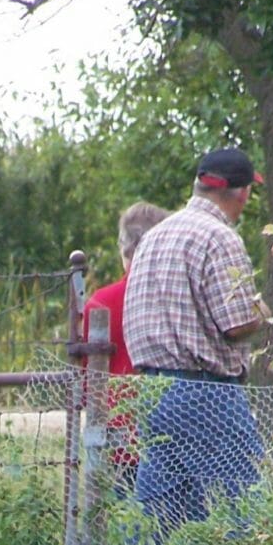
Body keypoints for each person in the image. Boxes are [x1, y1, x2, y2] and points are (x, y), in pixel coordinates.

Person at [119, 149, 269, 545]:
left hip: (152, 391)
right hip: (206, 392)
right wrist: (263, 312)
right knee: (251, 510)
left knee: (155, 520)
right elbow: (235, 322)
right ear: (241, 195)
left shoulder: (154, 236)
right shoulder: (219, 236)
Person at [79, 201, 170, 483]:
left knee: (118, 513)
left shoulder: (102, 302)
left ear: (124, 246)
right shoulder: (173, 298)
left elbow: (87, 380)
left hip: (118, 430)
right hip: (168, 430)